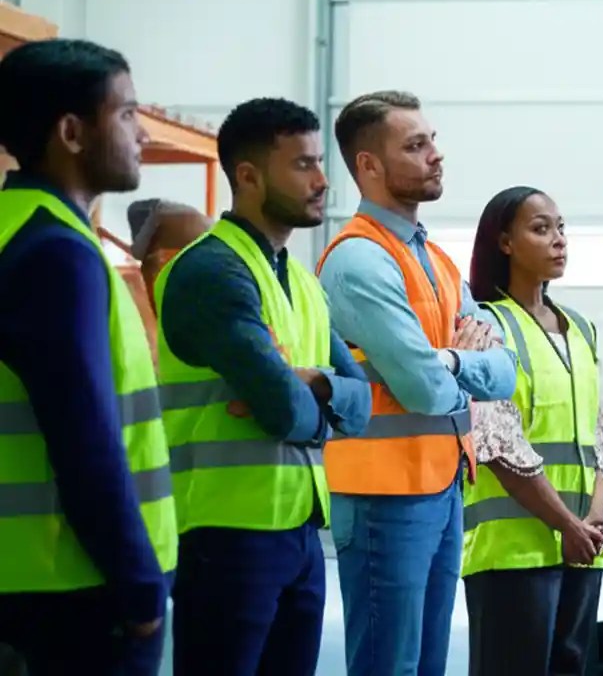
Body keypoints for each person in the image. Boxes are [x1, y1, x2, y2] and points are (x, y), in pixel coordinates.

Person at [154, 97, 372, 676]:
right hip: (226, 536)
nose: (322, 180)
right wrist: (310, 400)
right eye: (303, 164)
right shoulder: (211, 272)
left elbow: (363, 404)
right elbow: (283, 411)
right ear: (248, 176)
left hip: (299, 533)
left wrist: (313, 383)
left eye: (319, 162)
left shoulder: (301, 280)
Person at [315, 90, 517, 676]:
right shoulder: (359, 261)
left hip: (441, 486)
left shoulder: (438, 263)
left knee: (428, 665)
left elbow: (504, 372)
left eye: (433, 141)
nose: (436, 154)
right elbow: (424, 390)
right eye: (416, 145)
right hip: (383, 496)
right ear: (368, 165)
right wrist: (457, 364)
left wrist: (449, 361)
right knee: (390, 665)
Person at [0, 39, 177, 674]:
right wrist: (139, 587)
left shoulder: (19, 227)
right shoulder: (56, 254)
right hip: (73, 590)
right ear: (71, 133)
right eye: (126, 114)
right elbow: (84, 439)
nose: (143, 134)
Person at [463, 186, 603, 676]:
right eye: (541, 228)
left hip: (583, 548)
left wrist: (593, 517)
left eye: (561, 228)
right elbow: (498, 442)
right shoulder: (488, 327)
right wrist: (567, 525)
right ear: (505, 242)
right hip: (513, 553)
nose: (558, 239)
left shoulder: (581, 329)